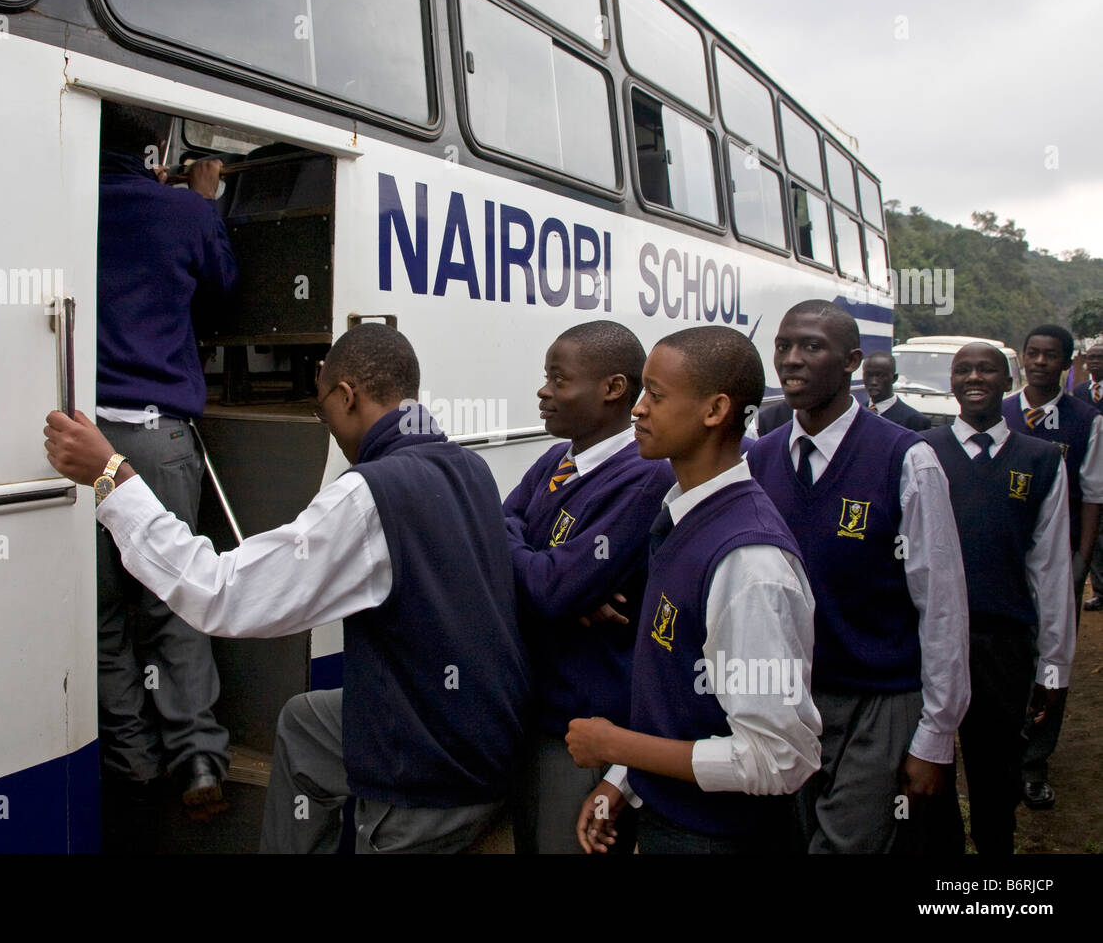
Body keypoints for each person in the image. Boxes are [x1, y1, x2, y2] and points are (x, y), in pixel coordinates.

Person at [44, 322, 530, 853]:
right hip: (485, 732)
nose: (328, 427)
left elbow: (221, 593)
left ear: (346, 397)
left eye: (322, 411)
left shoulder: (370, 495)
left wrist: (110, 475)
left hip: (434, 774)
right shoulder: (469, 467)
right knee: (305, 722)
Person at [566, 326, 821, 854]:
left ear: (715, 410)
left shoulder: (749, 563)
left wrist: (618, 744)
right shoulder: (685, 516)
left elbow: (778, 758)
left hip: (719, 836)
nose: (637, 409)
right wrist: (624, 777)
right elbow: (682, 697)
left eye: (655, 396)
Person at [747, 300, 970, 854]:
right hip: (790, 701)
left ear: (850, 362)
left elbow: (941, 604)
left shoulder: (905, 459)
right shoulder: (759, 461)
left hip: (880, 701)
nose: (792, 361)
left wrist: (935, 737)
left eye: (811, 347)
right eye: (783, 346)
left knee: (849, 844)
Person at [94, 102, 237, 817]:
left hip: (80, 442)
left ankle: (131, 762)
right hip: (158, 435)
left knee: (101, 616)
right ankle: (199, 760)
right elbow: (222, 287)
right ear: (156, 150)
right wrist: (204, 202)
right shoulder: (180, 212)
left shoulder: (62, 198)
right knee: (172, 599)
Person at [503, 320, 674, 854]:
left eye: (559, 379)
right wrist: (555, 583)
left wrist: (554, 586)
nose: (544, 391)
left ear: (613, 389)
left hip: (589, 735)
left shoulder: (646, 476)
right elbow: (493, 529)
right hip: (537, 712)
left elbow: (550, 589)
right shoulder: (559, 459)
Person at [922, 343, 1074, 853]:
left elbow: (1049, 569)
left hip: (1001, 645)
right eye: (963, 369)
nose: (974, 377)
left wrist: (1053, 667)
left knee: (995, 777)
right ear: (951, 381)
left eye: (987, 368)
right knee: (929, 774)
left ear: (1007, 380)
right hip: (929, 646)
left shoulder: (1040, 459)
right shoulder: (921, 453)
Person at [1002, 323, 1103, 808]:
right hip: (1001, 561)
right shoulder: (996, 413)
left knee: (1052, 656)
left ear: (1067, 365)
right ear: (1023, 359)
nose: (1041, 362)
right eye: (1034, 353)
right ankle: (1001, 750)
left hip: (1058, 564)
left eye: (1052, 356)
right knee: (1001, 654)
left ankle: (1035, 764)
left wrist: (1081, 560)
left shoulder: (1086, 421)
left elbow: (1093, 496)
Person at [1076, 344, 1103, 609]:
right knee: (1094, 534)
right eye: (1092, 357)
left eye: (1100, 358)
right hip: (1090, 470)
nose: (1095, 362)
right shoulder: (1081, 392)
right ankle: (1099, 590)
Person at [863, 350, 932, 431]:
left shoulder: (915, 421)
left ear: (894, 378)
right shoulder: (856, 413)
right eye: (868, 375)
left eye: (880, 376)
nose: (873, 382)